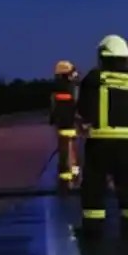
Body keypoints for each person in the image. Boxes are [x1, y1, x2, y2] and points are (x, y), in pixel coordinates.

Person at [75, 35, 128, 239]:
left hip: (101, 141)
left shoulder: (95, 78)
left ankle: (93, 230)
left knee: (94, 185)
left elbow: (85, 111)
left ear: (103, 55)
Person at [48, 60, 80, 188]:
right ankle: (71, 171)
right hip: (71, 122)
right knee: (70, 146)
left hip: (62, 123)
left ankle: (66, 173)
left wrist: (52, 118)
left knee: (64, 147)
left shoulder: (56, 88)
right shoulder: (73, 87)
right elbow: (78, 103)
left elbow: (53, 106)